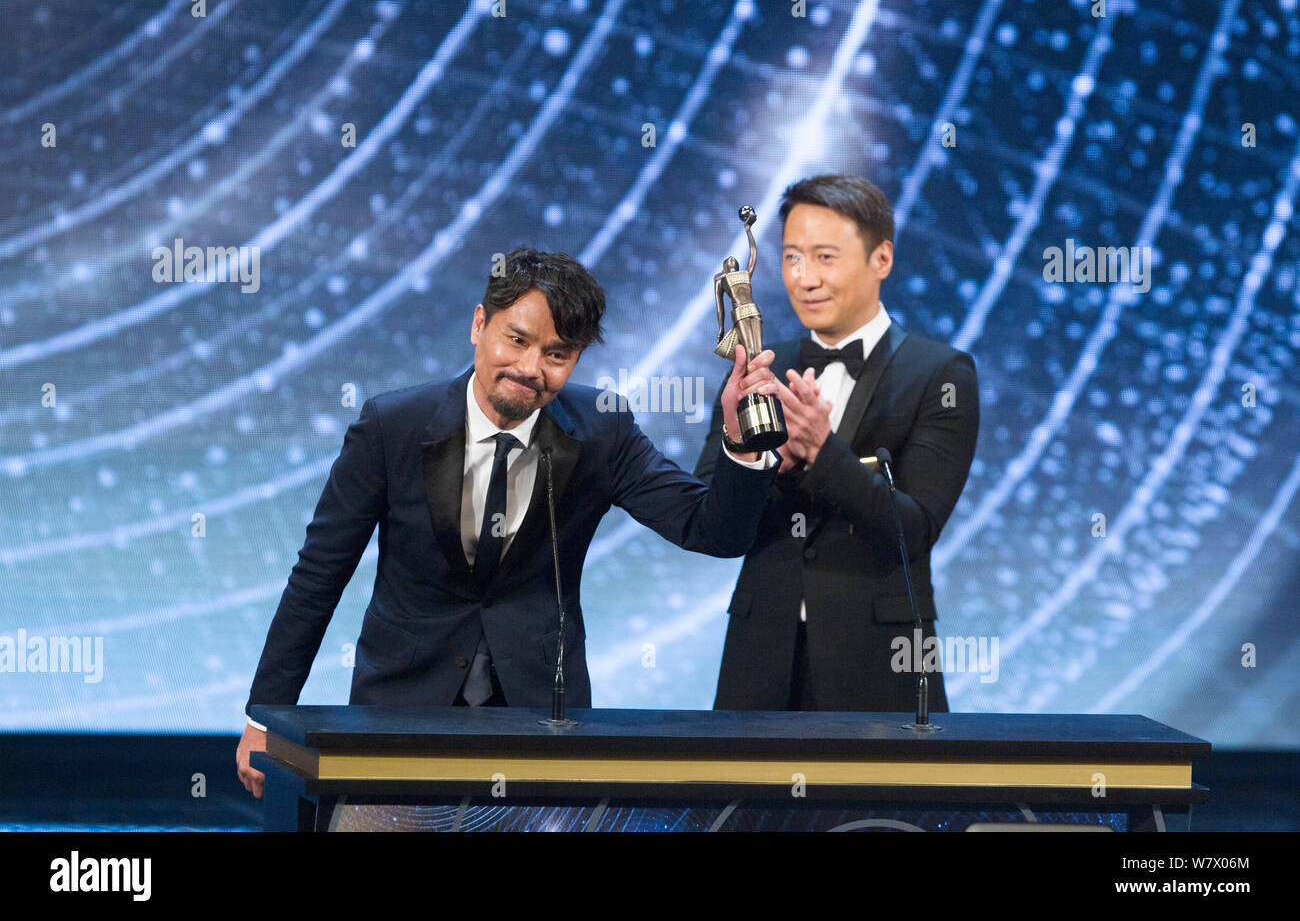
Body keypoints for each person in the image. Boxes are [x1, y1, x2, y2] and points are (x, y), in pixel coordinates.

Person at [237, 247, 780, 797]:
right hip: (401, 710)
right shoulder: (392, 426)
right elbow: (319, 575)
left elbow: (713, 532)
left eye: (557, 354)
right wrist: (265, 716)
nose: (530, 369)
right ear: (480, 324)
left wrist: (740, 443)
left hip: (540, 718)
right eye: (516, 340)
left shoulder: (602, 431)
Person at [695, 174, 980, 712]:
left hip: (880, 663)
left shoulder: (940, 373)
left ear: (881, 259)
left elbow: (914, 530)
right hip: (759, 658)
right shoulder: (757, 368)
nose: (805, 278)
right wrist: (758, 463)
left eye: (825, 257)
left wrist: (823, 453)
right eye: (792, 258)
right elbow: (712, 525)